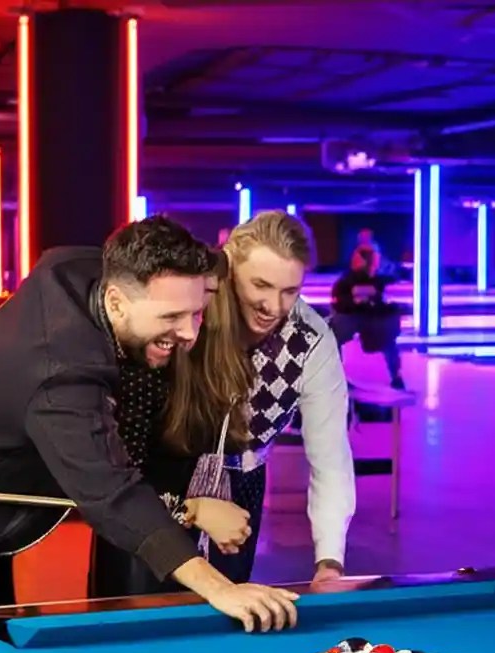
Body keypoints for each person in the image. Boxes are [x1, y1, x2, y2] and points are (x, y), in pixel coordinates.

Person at [0, 216, 299, 632]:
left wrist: (222, 274)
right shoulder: (63, 376)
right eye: (171, 316)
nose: (188, 333)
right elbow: (112, 493)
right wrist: (221, 589)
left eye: (196, 312)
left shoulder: (81, 268)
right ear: (115, 302)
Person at [162, 210, 357, 586]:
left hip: (242, 483)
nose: (274, 306)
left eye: (290, 291)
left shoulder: (313, 341)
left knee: (226, 617)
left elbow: (330, 458)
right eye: (261, 285)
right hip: (160, 474)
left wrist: (329, 562)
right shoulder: (192, 303)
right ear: (230, 261)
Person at [329, 243, 406, 389]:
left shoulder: (379, 281)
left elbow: (384, 301)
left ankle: (396, 376)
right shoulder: (345, 282)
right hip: (351, 316)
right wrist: (355, 303)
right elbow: (338, 304)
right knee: (333, 336)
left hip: (372, 318)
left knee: (389, 339)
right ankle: (337, 379)